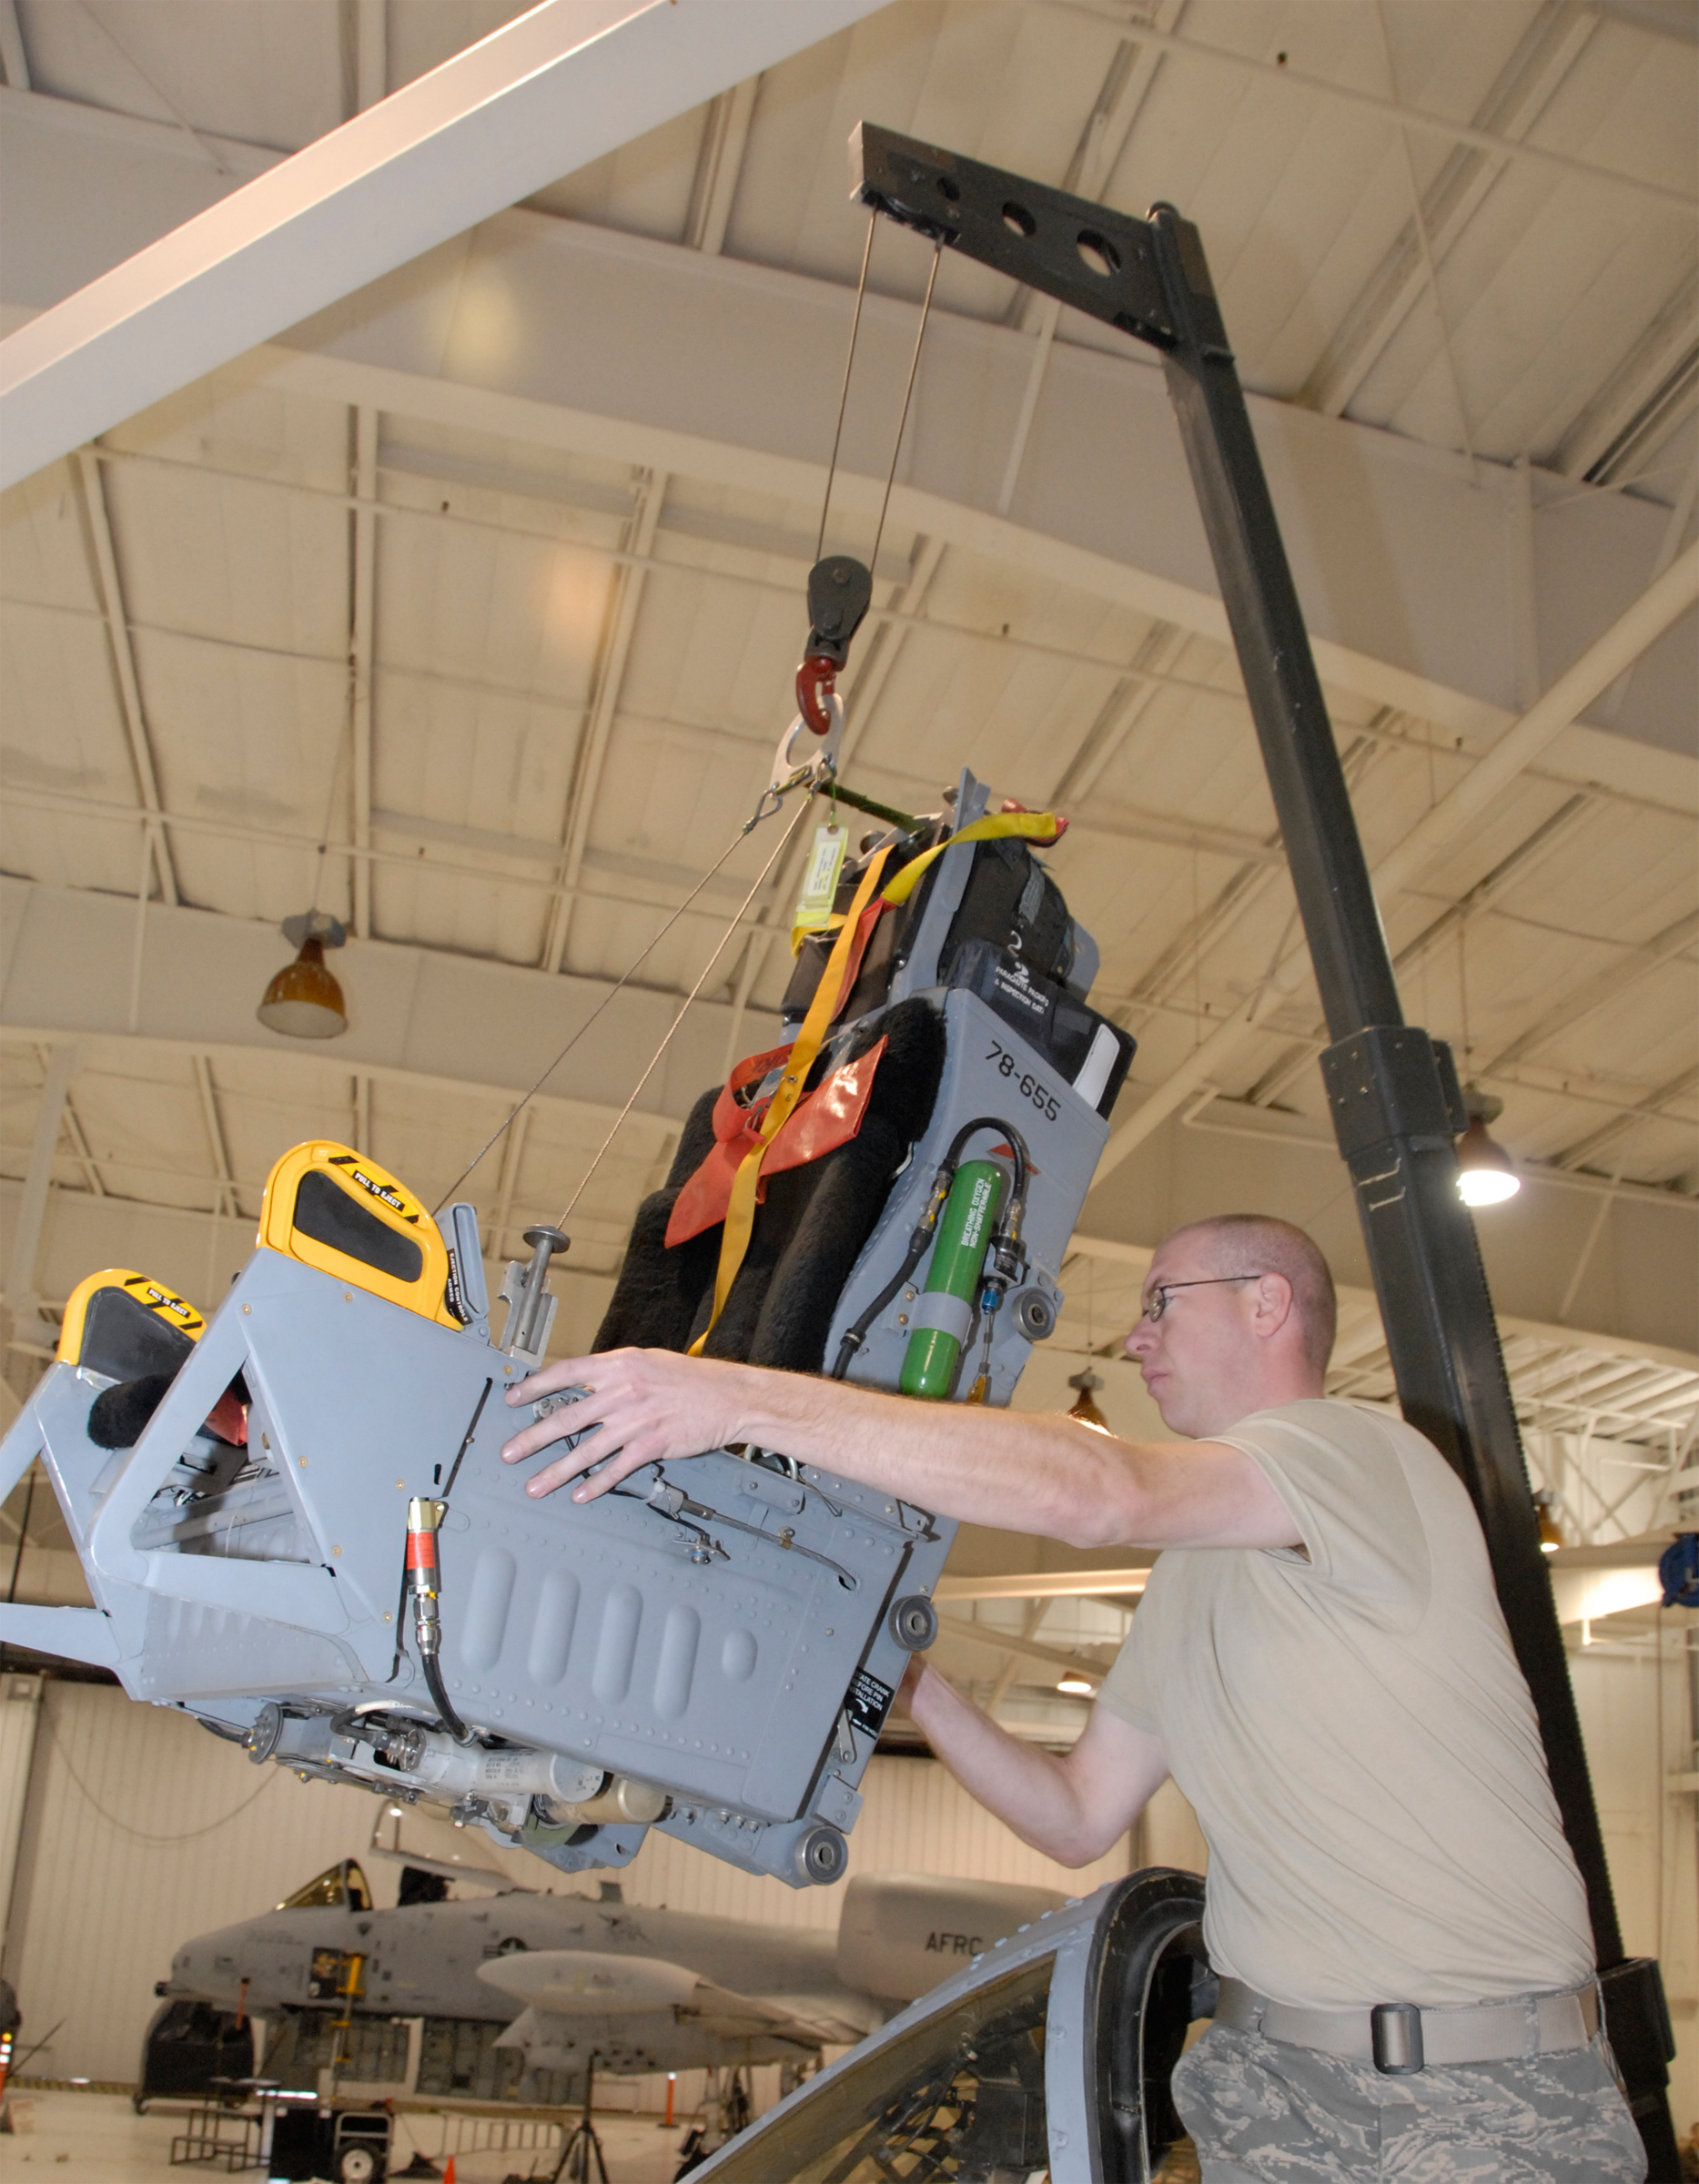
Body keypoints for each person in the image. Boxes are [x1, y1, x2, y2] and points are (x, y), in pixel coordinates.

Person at [501, 1211, 1645, 2180]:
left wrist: (735, 1402)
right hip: (1274, 2092)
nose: (1135, 1336)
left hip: (1469, 2096)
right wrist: (914, 1685)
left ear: (1266, 1304)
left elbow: (1095, 1494)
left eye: (1161, 1302)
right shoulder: (1200, 1570)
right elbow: (1074, 1815)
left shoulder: (1358, 1456)